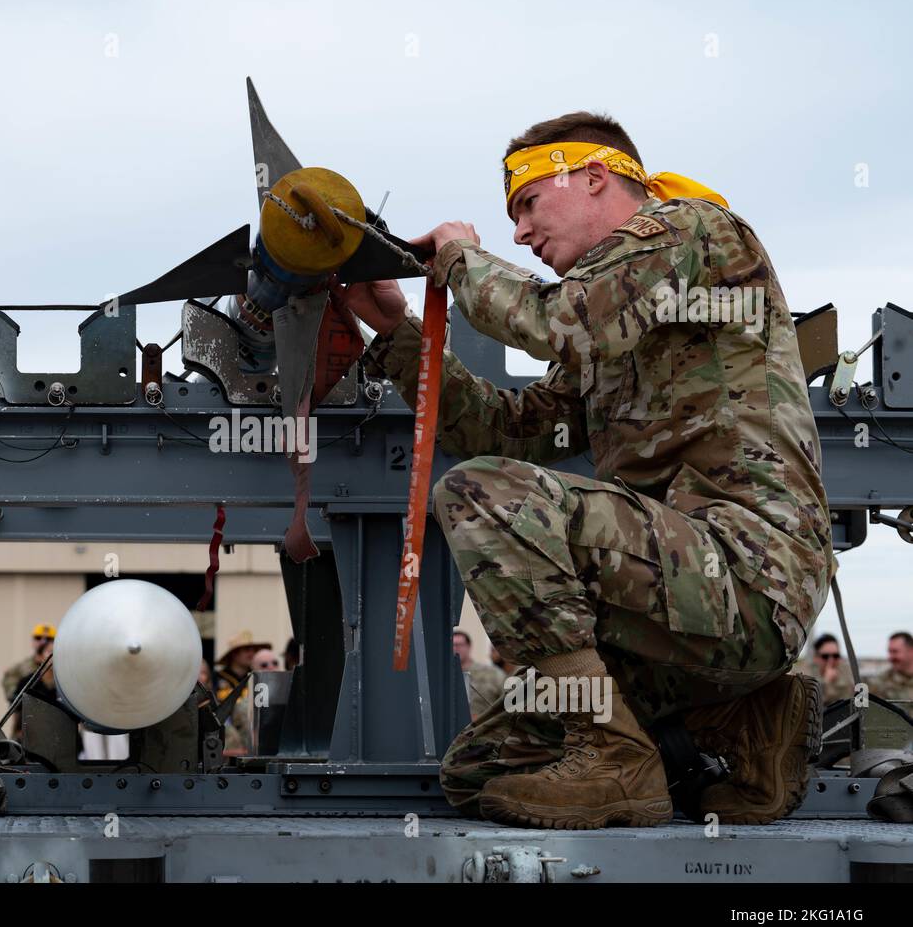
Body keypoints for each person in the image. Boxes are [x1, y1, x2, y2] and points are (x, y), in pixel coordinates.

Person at [349, 110, 831, 829]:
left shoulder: (694, 233)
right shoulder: (607, 326)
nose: (519, 233)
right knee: (481, 767)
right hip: (671, 607)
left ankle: (616, 759)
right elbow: (505, 430)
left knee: (480, 495)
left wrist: (458, 258)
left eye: (528, 204)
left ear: (596, 176)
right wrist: (394, 330)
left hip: (747, 574)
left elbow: (553, 321)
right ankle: (739, 722)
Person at [216, 632, 264, 755]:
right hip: (227, 734)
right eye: (247, 650)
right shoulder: (217, 678)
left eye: (254, 650)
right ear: (235, 654)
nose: (252, 654)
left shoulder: (257, 677)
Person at [456, 630, 506, 721]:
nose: (456, 648)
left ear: (469, 646)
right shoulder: (443, 677)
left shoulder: (492, 673)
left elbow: (507, 703)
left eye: (459, 645)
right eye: (453, 645)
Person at [2, 624, 56, 703]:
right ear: (33, 641)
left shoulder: (60, 669)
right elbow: (13, 697)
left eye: (49, 639)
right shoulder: (19, 668)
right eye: (38, 638)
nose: (43, 642)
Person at [795, 634, 853, 706]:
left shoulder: (845, 671)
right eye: (825, 656)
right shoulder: (805, 674)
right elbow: (810, 704)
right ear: (816, 658)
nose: (831, 660)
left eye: (836, 656)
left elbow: (848, 699)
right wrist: (826, 682)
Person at [869, 631, 913, 700]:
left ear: (911, 651)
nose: (890, 657)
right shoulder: (880, 682)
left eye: (895, 651)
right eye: (889, 652)